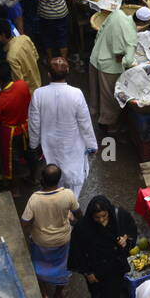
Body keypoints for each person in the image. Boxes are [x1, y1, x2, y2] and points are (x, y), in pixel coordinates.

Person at [29, 57, 96, 202]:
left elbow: (34, 124)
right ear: (68, 71)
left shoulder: (38, 94)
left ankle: (58, 203)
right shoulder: (76, 93)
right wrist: (92, 145)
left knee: (54, 174)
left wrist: (33, 145)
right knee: (73, 178)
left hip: (50, 145)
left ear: (48, 75)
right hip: (72, 144)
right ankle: (72, 206)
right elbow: (85, 123)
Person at [68, 195, 136, 298]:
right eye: (97, 217)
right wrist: (87, 272)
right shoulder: (82, 228)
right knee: (97, 297)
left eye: (104, 216)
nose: (101, 220)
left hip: (115, 268)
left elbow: (131, 230)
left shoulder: (119, 216)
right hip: (95, 270)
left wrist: (126, 241)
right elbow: (77, 252)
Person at [20, 164, 79, 298]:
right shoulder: (68, 194)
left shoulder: (35, 199)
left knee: (39, 265)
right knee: (63, 267)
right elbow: (79, 215)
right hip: (63, 239)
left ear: (42, 180)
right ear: (58, 180)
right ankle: (58, 296)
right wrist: (69, 216)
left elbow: (24, 222)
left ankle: (44, 293)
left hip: (41, 241)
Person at [88, 5, 150, 134]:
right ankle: (109, 125)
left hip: (95, 57)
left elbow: (101, 30)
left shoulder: (117, 14)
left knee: (95, 91)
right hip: (109, 69)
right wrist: (130, 64)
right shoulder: (131, 37)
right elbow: (127, 61)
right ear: (144, 23)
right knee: (110, 98)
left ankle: (94, 114)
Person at [0, 59, 33, 183]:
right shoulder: (22, 85)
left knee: (11, 161)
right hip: (25, 126)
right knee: (27, 152)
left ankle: (15, 188)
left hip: (10, 133)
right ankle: (33, 177)